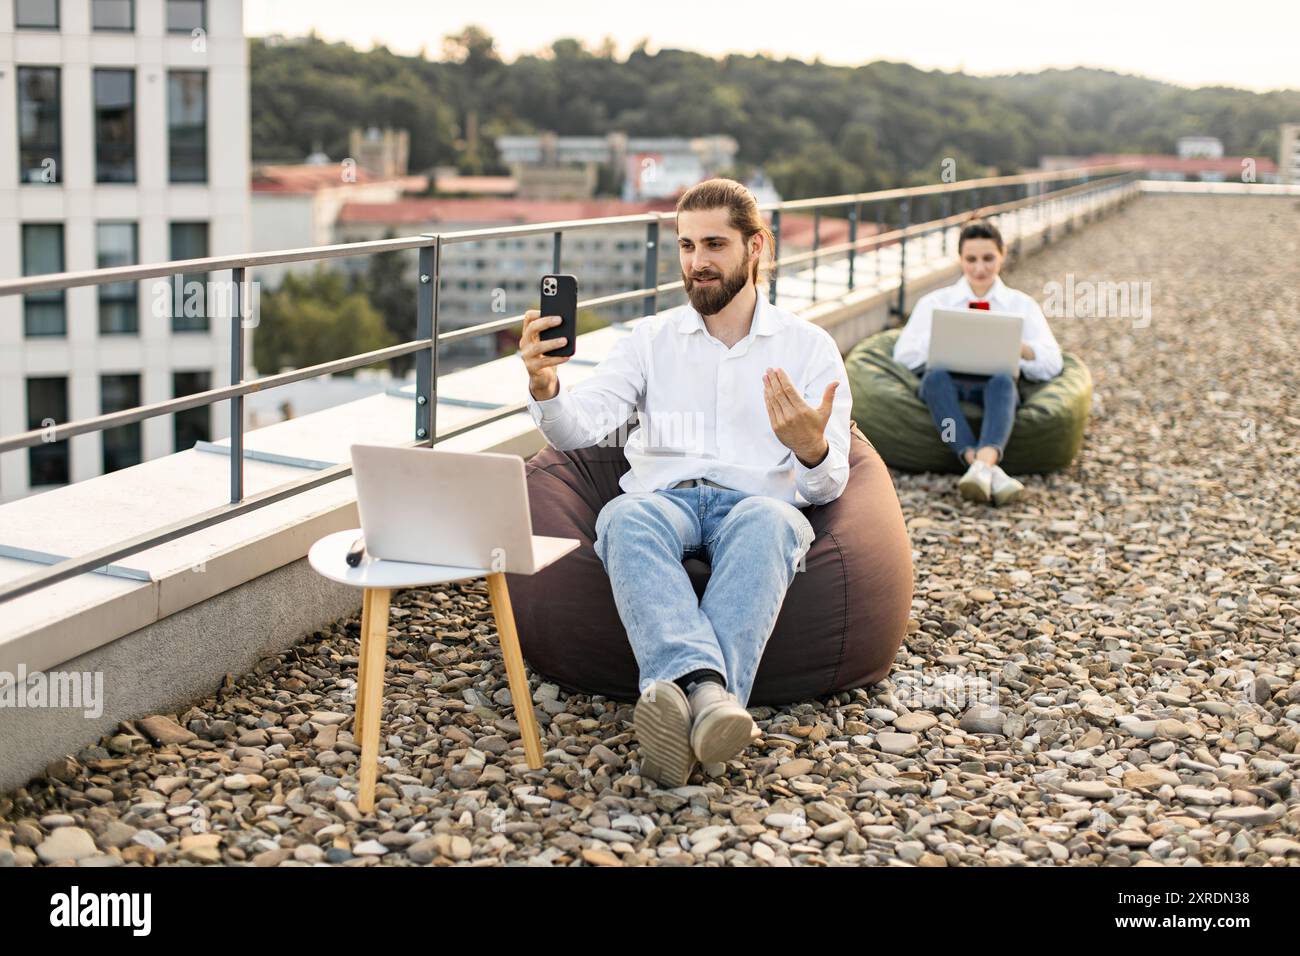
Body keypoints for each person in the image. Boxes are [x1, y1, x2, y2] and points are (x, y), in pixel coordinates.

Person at [518, 178, 852, 787]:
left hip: (757, 503)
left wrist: (810, 446)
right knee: (622, 517)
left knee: (773, 523)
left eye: (715, 244)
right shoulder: (649, 340)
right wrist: (546, 389)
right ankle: (712, 700)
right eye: (685, 245)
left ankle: (678, 703)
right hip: (665, 501)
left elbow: (829, 485)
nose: (697, 263)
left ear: (756, 247)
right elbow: (578, 427)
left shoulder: (809, 348)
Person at [893, 219, 1063, 504]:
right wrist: (942, 339)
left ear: (1002, 254)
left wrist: (1019, 348)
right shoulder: (936, 302)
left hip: (996, 386)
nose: (979, 268)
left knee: (1003, 382)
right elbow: (903, 355)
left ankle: (977, 465)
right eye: (971, 259)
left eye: (988, 258)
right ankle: (987, 467)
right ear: (960, 259)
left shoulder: (1021, 305)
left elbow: (1053, 362)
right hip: (947, 383)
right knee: (934, 380)